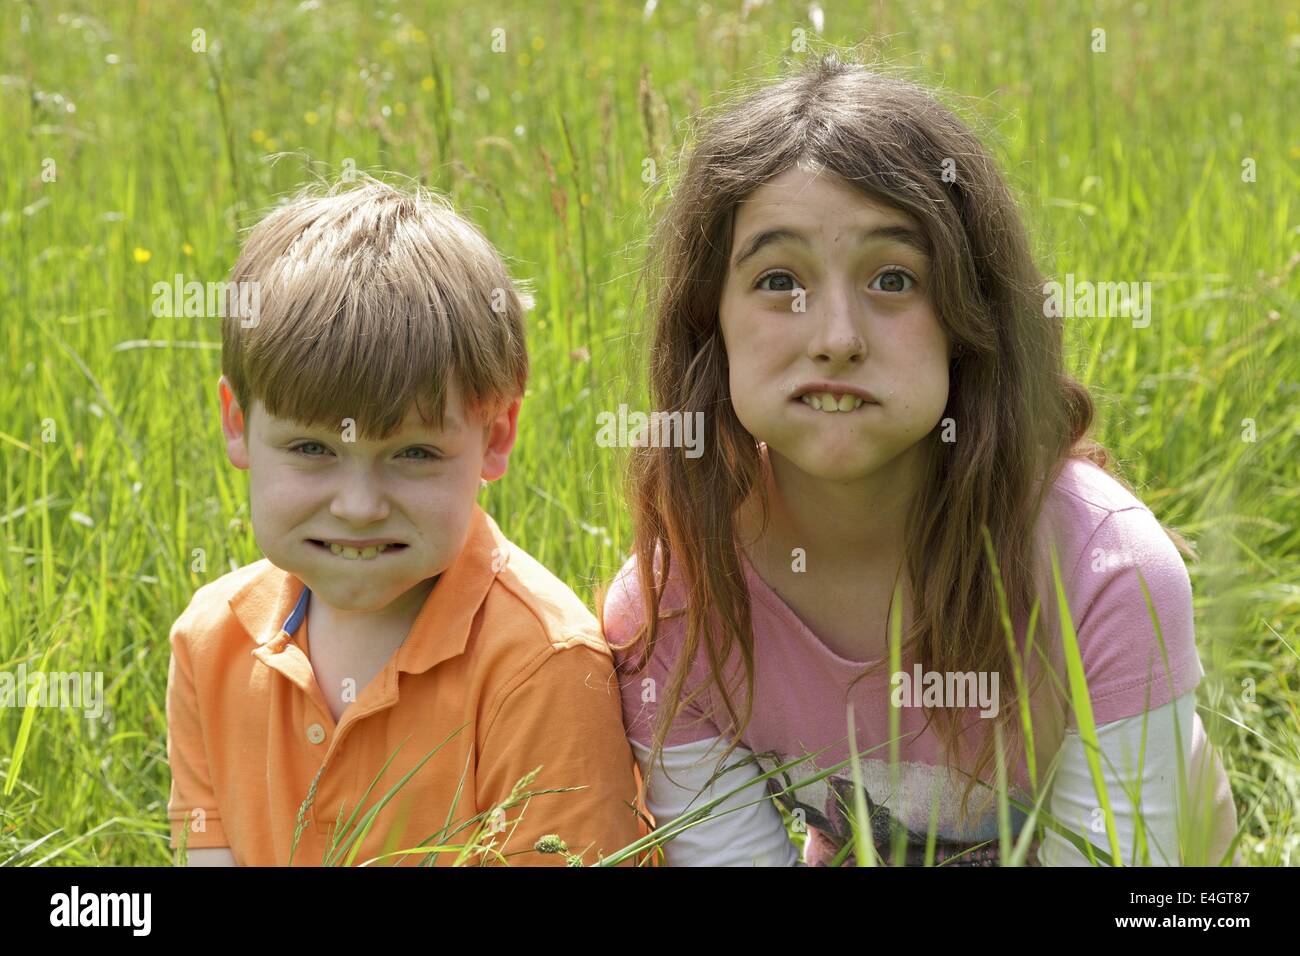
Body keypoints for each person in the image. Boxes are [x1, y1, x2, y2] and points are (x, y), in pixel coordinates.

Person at [600, 55, 1240, 867]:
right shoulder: (675, 608)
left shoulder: (1101, 573)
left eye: (893, 278)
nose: (836, 336)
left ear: (971, 317)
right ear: (709, 322)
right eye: (778, 279)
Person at [166, 176, 642, 866]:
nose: (359, 506)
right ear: (237, 425)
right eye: (312, 449)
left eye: (414, 453)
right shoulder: (212, 643)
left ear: (497, 435)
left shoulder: (543, 669)